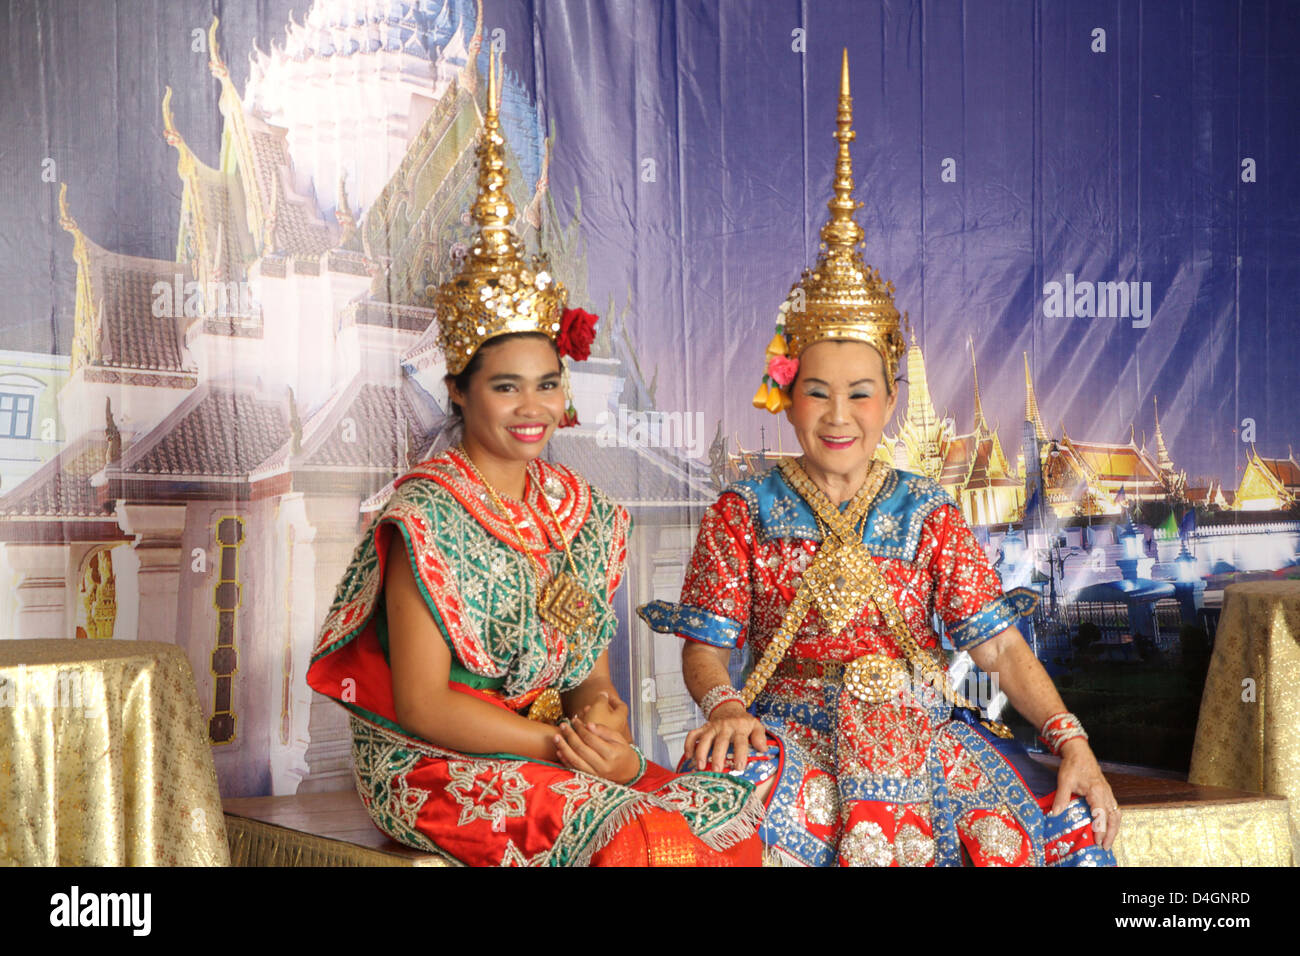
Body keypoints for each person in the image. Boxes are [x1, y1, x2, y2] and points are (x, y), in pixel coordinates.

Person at [639, 51, 1119, 867]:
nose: (838, 416)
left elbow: (996, 646)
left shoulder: (927, 510)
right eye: (817, 392)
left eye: (861, 393)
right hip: (789, 731)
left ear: (892, 401)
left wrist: (1073, 739)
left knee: (1060, 833)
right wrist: (722, 707)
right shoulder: (743, 509)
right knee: (698, 837)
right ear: (784, 396)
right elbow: (705, 644)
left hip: (925, 738)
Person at [306, 52, 762, 867]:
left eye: (548, 385)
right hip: (436, 758)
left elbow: (589, 672)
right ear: (459, 392)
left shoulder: (576, 511)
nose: (532, 409)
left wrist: (606, 718)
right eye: (506, 387)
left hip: (554, 743)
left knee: (723, 818)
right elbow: (420, 703)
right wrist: (555, 745)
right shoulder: (426, 517)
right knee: (633, 832)